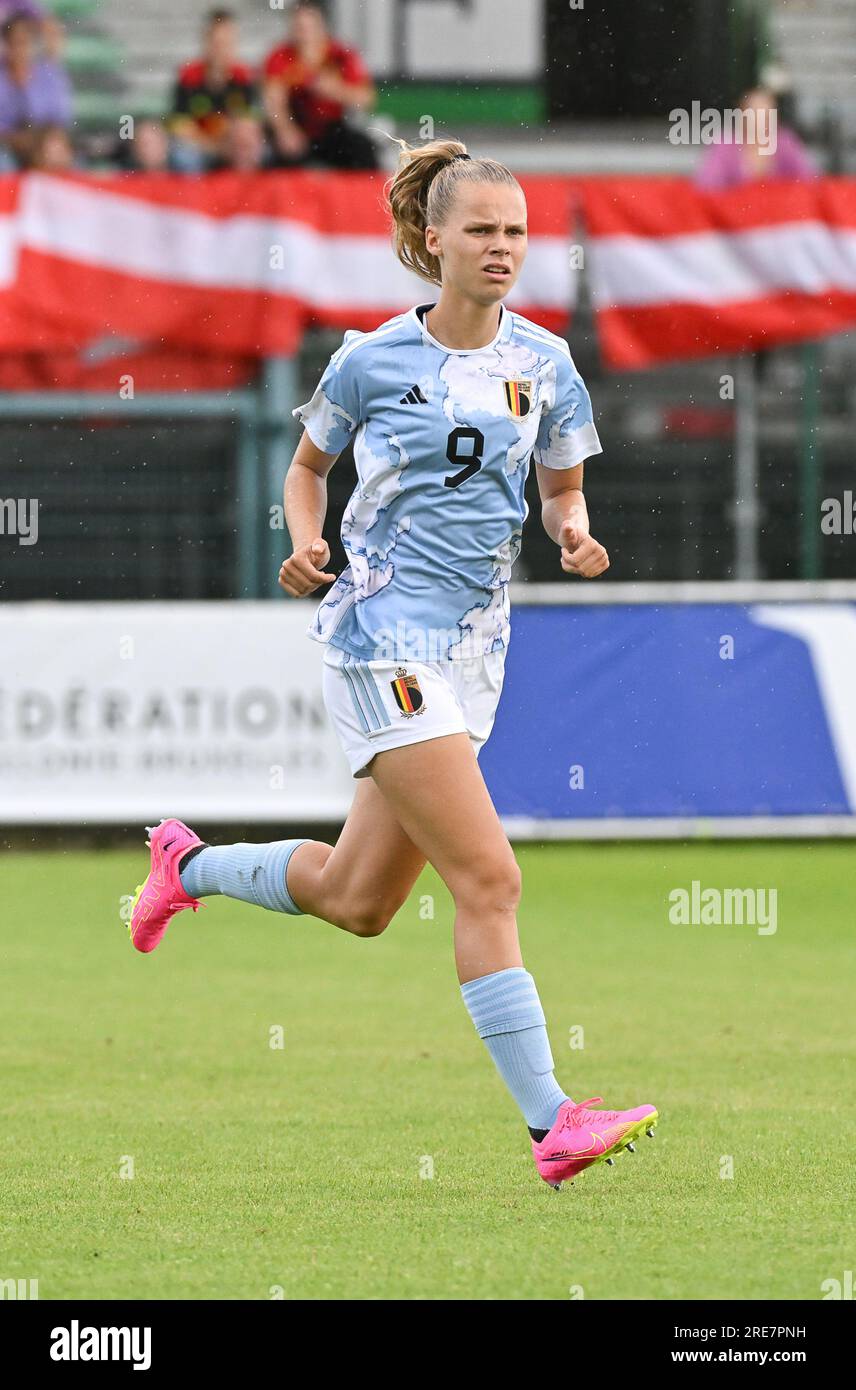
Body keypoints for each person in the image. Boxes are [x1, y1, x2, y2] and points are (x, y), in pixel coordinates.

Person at [126, 139, 658, 1192]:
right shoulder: (370, 359)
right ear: (433, 240)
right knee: (489, 876)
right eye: (481, 230)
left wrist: (572, 528)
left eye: (514, 231)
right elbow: (306, 469)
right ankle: (552, 1122)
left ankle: (182, 867)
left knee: (357, 898)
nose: (502, 248)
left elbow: (559, 486)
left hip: (473, 650)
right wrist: (304, 539)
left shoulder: (545, 362)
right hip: (381, 640)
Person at [263, 0, 377, 170]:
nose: (304, 34)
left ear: (321, 26)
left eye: (308, 27)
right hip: (297, 126)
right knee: (273, 153)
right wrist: (285, 130)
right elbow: (273, 101)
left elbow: (366, 99)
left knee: (363, 149)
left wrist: (334, 90)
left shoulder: (341, 55)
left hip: (333, 129)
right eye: (299, 27)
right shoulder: (281, 56)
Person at [170, 8, 256, 171]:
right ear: (206, 42)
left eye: (227, 43)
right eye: (217, 43)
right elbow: (179, 125)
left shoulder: (243, 77)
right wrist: (213, 146)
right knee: (184, 156)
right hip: (201, 147)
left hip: (231, 146)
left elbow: (247, 124)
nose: (222, 49)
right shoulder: (189, 76)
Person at [695, 86, 818, 190]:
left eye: (767, 115)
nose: (762, 121)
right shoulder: (725, 145)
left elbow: (809, 183)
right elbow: (708, 186)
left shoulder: (785, 143)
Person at [0, 11, 72, 170]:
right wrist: (17, 140)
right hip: (9, 148)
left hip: (44, 144)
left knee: (60, 156)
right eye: (15, 43)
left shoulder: (50, 74)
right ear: (6, 45)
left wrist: (40, 142)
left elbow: (60, 119)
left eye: (25, 42)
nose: (20, 49)